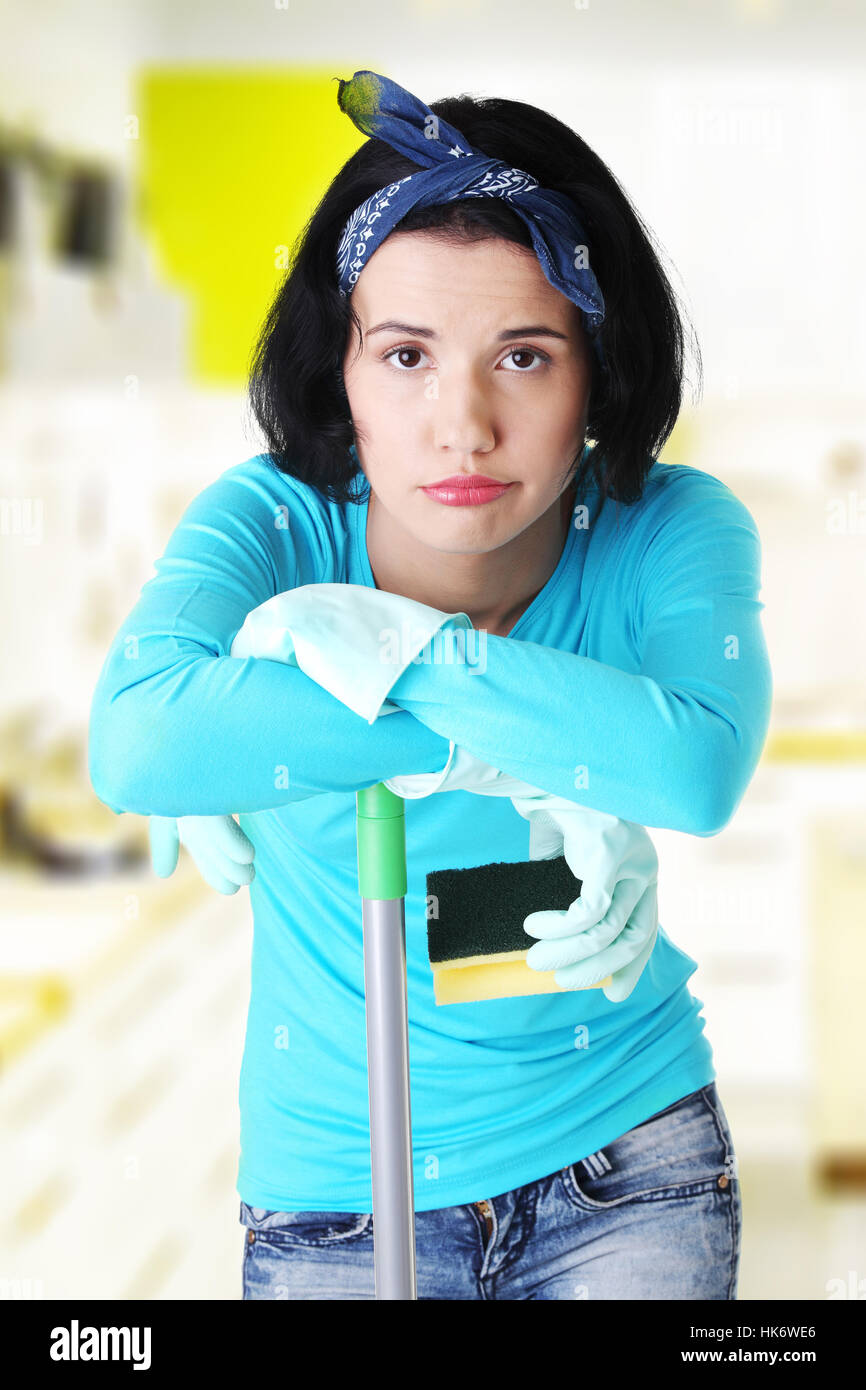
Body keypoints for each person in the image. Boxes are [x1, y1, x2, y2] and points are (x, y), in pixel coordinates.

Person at [88, 71, 772, 1300]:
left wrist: (393, 655)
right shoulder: (273, 524)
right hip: (336, 1196)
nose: (460, 426)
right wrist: (530, 738)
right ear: (337, 372)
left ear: (599, 372)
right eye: (404, 354)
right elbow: (138, 745)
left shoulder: (663, 527)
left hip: (623, 1163)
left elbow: (693, 766)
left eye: (522, 354)